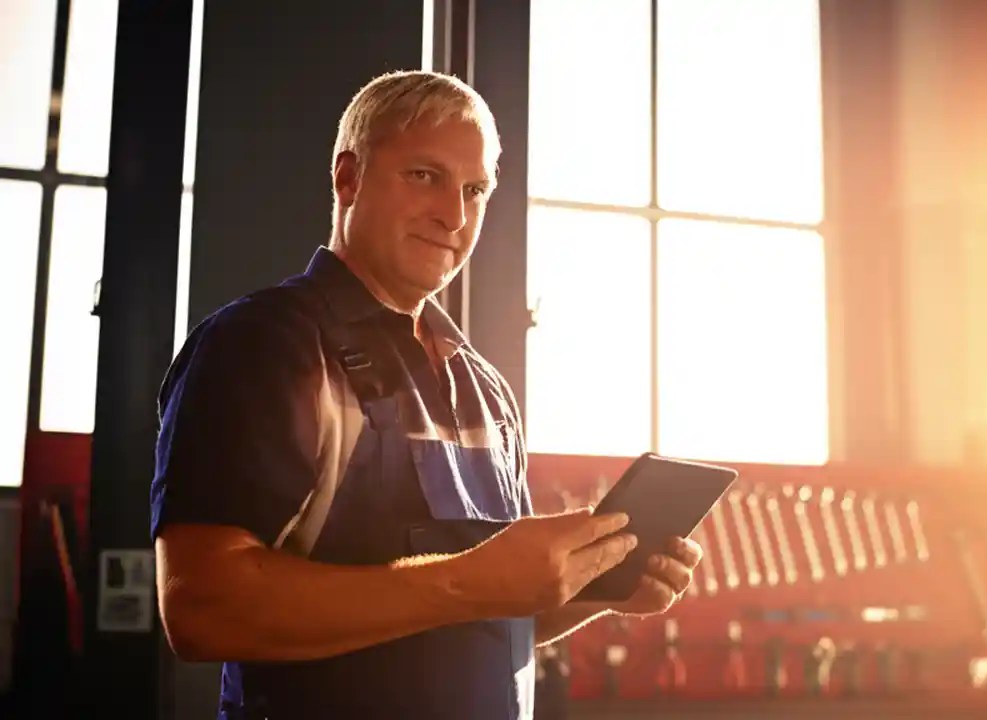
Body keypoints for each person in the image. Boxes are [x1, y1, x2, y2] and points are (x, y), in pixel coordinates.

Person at [150, 70, 703, 720]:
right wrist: (469, 582)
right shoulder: (263, 346)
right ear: (348, 177)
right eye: (425, 176)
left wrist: (595, 590)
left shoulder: (485, 389)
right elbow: (202, 607)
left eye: (475, 190)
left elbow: (489, 611)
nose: (455, 216)